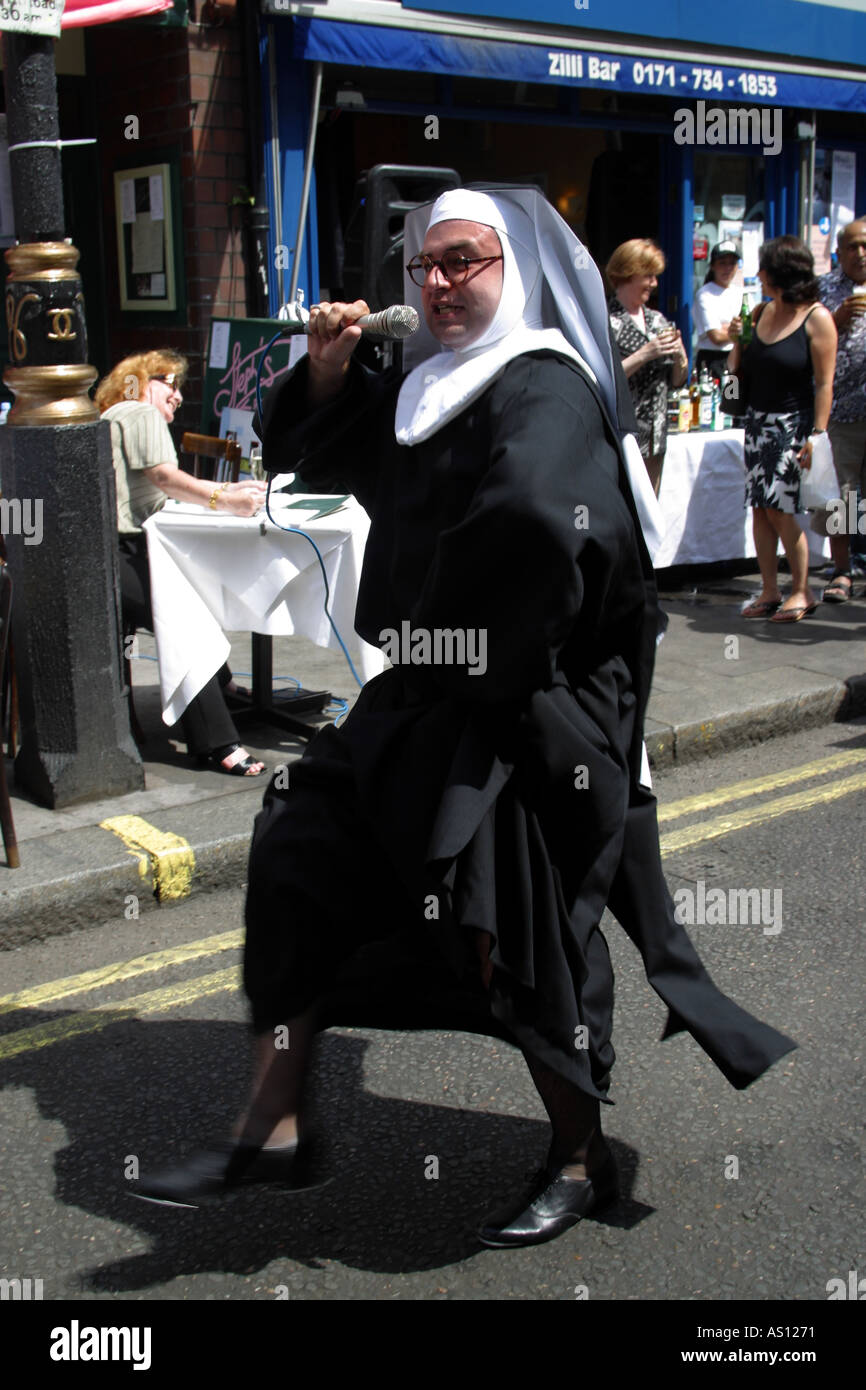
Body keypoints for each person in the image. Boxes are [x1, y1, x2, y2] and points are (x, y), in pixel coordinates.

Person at [132, 190, 795, 1247]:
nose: (438, 282)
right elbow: (310, 447)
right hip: (439, 680)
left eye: (463, 261)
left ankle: (576, 1152)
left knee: (513, 929)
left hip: (532, 696)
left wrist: (429, 617)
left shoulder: (544, 386)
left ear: (512, 268)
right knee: (300, 839)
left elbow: (541, 525)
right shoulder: (420, 381)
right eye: (425, 265)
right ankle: (276, 1120)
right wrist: (331, 370)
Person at [96, 351, 268, 775]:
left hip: (102, 558)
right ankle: (218, 741)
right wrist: (225, 498)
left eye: (179, 386)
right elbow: (164, 478)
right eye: (168, 382)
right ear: (138, 380)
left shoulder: (115, 414)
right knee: (183, 613)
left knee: (191, 589)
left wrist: (224, 489)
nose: (176, 394)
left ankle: (221, 682)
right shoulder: (139, 412)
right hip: (118, 558)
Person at [727, 237, 837, 623]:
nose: (758, 274)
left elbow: (825, 383)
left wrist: (817, 434)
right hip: (757, 421)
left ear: (781, 274)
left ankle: (802, 590)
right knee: (760, 509)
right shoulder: (759, 312)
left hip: (792, 426)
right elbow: (734, 377)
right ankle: (770, 590)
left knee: (780, 509)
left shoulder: (817, 318)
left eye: (764, 268)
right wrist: (736, 341)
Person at [607, 238, 688, 495]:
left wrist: (680, 358)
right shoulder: (607, 320)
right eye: (649, 276)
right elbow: (604, 378)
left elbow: (677, 381)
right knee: (625, 505)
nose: (654, 284)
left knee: (650, 510)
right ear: (628, 273)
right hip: (624, 434)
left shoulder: (657, 320)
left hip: (656, 433)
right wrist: (646, 353)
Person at [811, 219, 866, 603]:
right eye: (852, 246)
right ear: (840, 251)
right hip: (842, 411)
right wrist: (837, 319)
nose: (860, 253)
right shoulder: (825, 289)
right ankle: (842, 570)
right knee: (841, 496)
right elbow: (802, 338)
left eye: (865, 245)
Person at [693, 240, 742, 383]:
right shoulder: (705, 294)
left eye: (732, 263)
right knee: (713, 402)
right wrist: (735, 330)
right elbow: (716, 336)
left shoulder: (741, 293)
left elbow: (751, 330)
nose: (727, 268)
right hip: (712, 361)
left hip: (736, 359)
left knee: (733, 402)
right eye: (722, 263)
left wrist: (727, 329)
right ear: (713, 266)